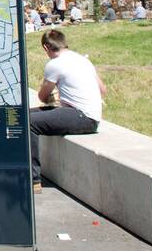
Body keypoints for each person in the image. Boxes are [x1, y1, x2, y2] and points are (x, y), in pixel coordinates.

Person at [30, 29, 104, 191]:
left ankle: (33, 179)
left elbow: (43, 96)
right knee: (24, 115)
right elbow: (102, 89)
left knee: (28, 122)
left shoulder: (54, 64)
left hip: (80, 116)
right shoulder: (82, 60)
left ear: (45, 48)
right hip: (89, 114)